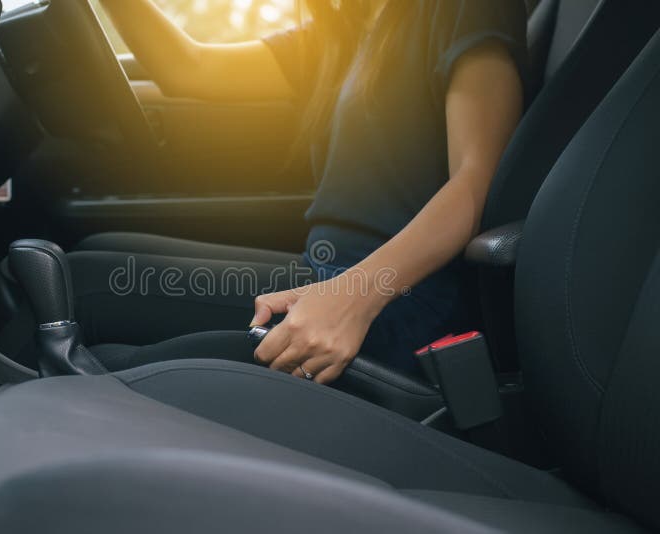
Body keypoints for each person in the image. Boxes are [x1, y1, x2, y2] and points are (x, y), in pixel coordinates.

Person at [88, 0, 527, 383]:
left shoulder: (458, 7)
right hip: (325, 274)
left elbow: (478, 181)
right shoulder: (341, 32)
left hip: (396, 299)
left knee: (78, 284)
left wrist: (351, 297)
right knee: (95, 251)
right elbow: (188, 68)